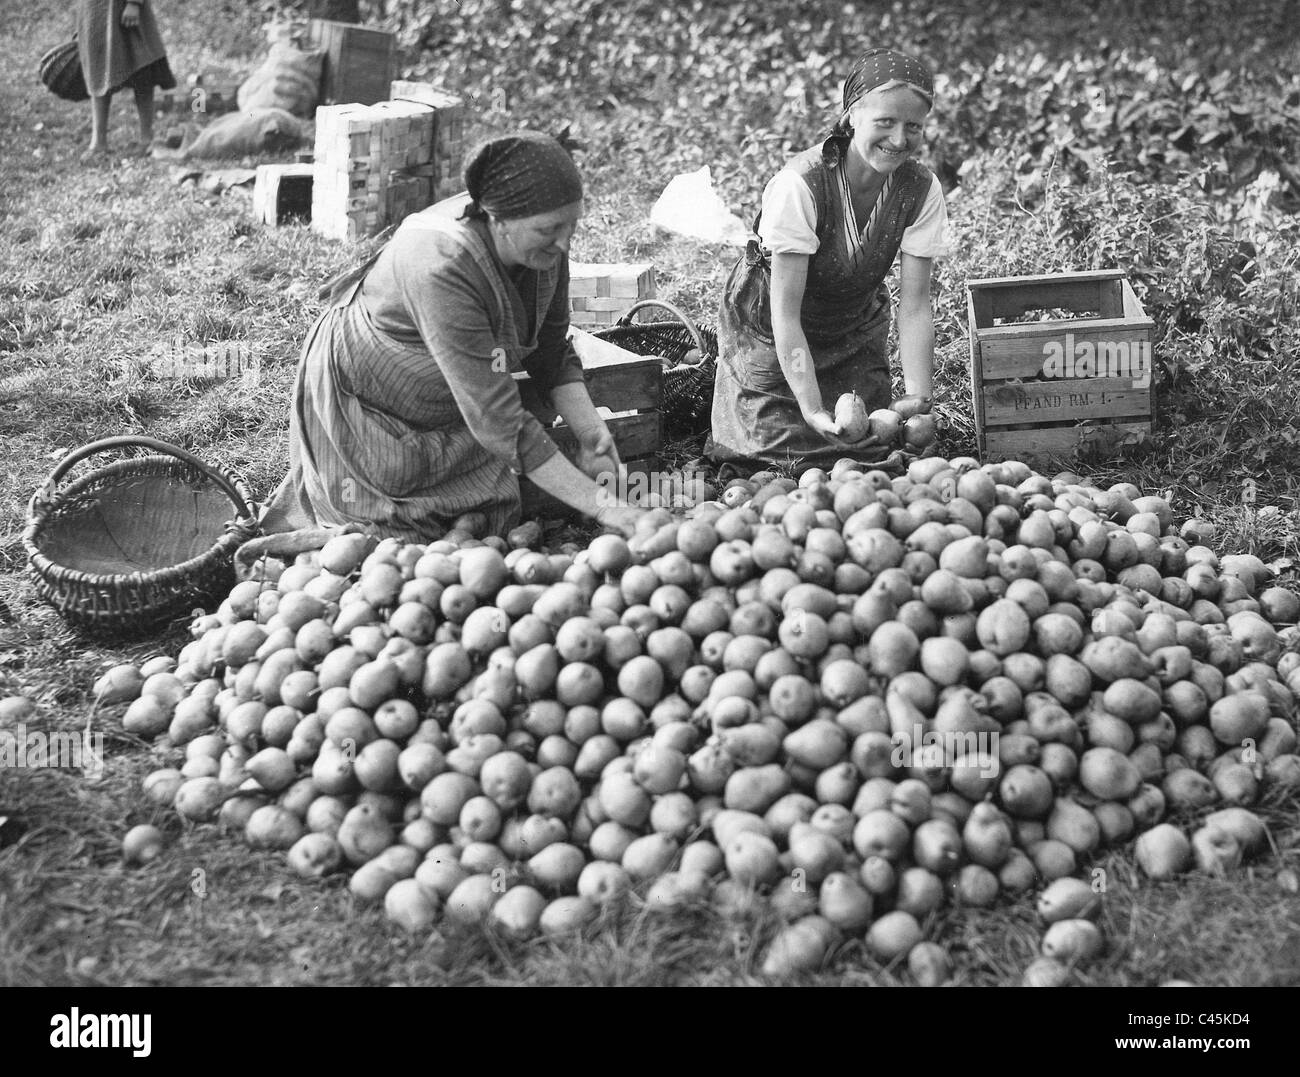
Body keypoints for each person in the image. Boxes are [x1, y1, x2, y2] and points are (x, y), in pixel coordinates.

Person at [263, 131, 647, 542]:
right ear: (497, 219)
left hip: (450, 394)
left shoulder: (545, 246)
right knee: (388, 544)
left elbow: (550, 352)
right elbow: (500, 420)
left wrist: (591, 435)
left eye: (572, 224)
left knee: (473, 530)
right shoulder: (442, 266)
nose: (565, 240)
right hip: (369, 399)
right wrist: (608, 508)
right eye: (550, 229)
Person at [706, 47, 950, 476]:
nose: (899, 139)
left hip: (851, 327)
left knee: (873, 439)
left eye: (913, 126)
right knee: (777, 453)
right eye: (885, 122)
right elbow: (785, 313)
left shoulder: (919, 189)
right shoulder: (801, 186)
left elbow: (914, 306)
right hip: (773, 331)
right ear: (853, 114)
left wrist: (917, 403)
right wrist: (812, 407)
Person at [76, 0, 176, 158]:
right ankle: (98, 143)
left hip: (123, 8)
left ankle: (147, 139)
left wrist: (134, 3)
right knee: (98, 69)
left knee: (142, 68)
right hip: (94, 10)